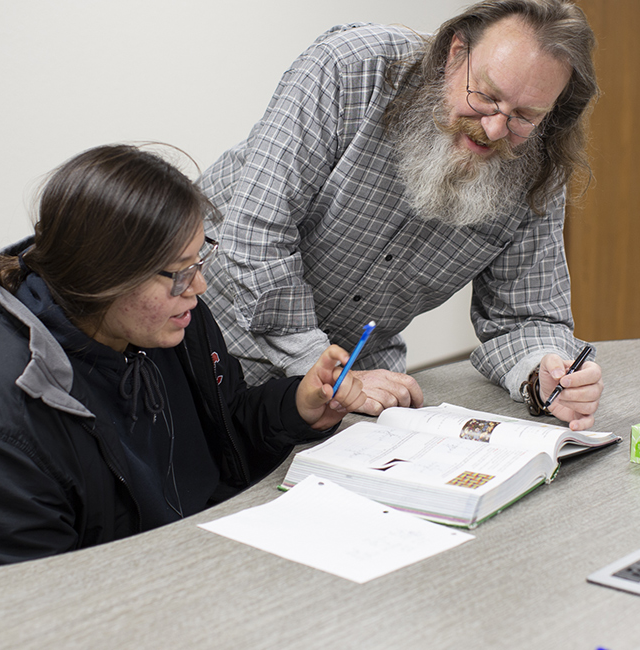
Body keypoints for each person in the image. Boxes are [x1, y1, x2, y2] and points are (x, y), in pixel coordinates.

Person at [0, 144, 365, 578]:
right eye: (181, 272)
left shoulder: (168, 320)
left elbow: (224, 432)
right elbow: (20, 606)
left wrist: (297, 405)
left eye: (200, 259)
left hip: (195, 558)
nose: (199, 288)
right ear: (107, 277)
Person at [200, 0, 603, 429]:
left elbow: (527, 314)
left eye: (525, 115)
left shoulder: (538, 164)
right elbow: (257, 233)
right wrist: (328, 370)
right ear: (456, 53)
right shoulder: (352, 68)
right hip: (202, 337)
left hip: (344, 385)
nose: (494, 130)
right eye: (485, 96)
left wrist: (545, 375)